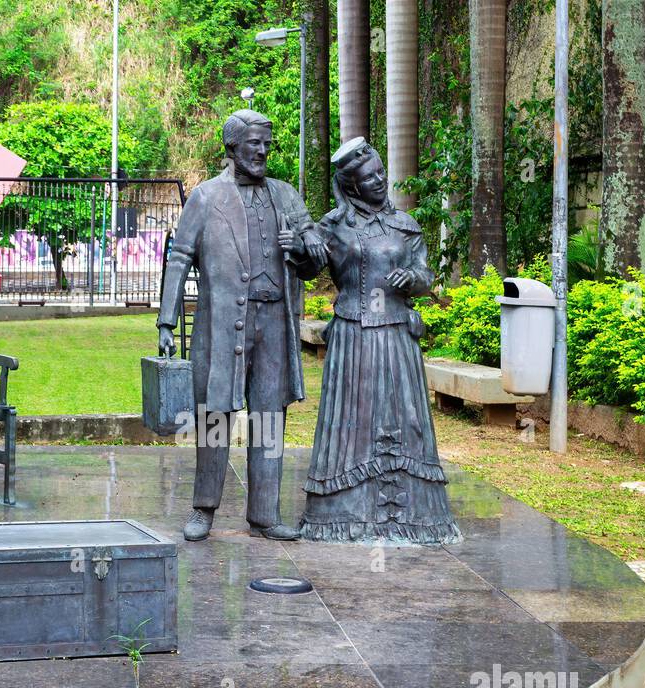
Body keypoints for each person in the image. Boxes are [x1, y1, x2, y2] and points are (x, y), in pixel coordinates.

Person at [156, 109, 327, 542]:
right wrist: (166, 323)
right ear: (232, 148)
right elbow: (179, 259)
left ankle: (264, 514)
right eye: (255, 144)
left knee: (269, 416)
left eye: (267, 144)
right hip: (221, 324)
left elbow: (317, 256)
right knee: (215, 414)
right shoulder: (206, 197)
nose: (263, 151)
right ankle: (204, 508)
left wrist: (303, 246)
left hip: (273, 321)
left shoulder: (286, 196)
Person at [298, 137, 461, 545]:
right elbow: (306, 265)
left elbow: (426, 278)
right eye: (369, 177)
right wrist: (300, 248)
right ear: (351, 185)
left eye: (381, 173)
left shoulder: (405, 227)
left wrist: (415, 279)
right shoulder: (332, 227)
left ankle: (414, 517)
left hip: (396, 336)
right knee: (351, 423)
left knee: (403, 417)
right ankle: (341, 516)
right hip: (352, 338)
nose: (380, 181)